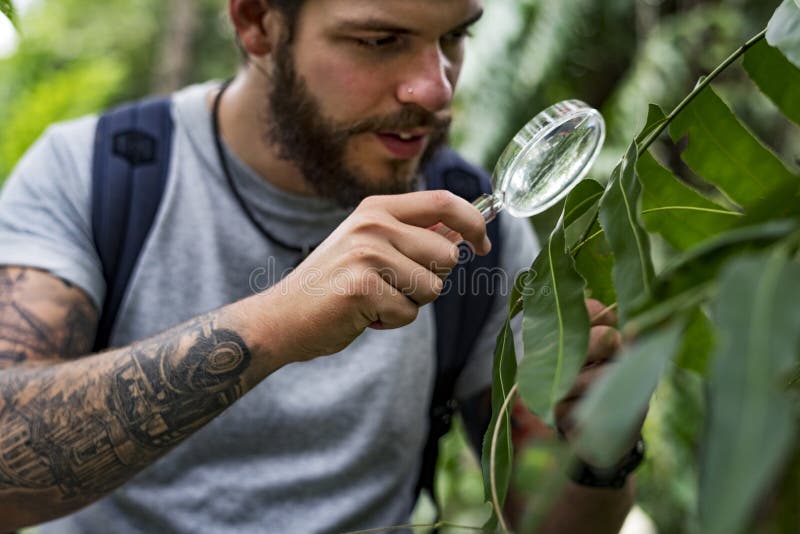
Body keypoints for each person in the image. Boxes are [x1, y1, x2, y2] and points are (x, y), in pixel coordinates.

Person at [0, 0, 636, 532]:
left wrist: (599, 445)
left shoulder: (479, 228)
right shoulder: (98, 174)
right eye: (380, 40)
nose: (436, 88)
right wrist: (278, 321)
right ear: (257, 23)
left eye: (454, 37)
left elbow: (545, 519)